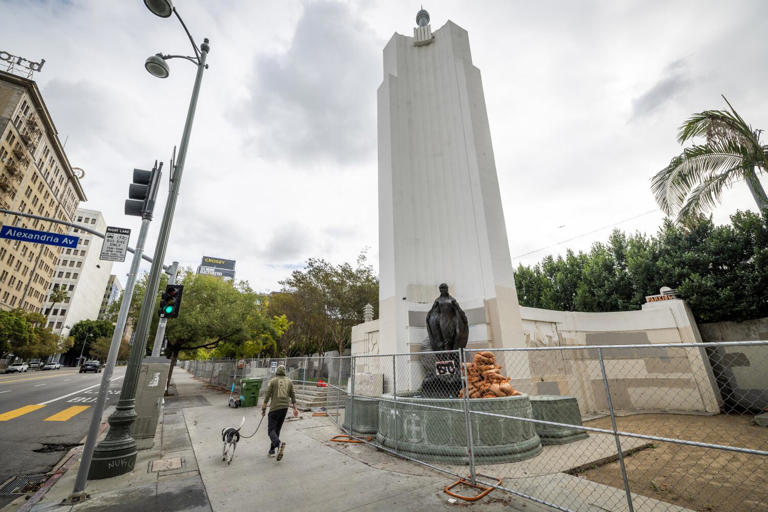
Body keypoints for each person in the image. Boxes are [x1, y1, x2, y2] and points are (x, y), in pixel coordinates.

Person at [261, 365, 299, 460]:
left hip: (274, 409)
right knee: (277, 430)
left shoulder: (273, 381)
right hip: (284, 409)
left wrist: (263, 409)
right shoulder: (289, 382)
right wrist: (295, 409)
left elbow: (267, 396)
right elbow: (293, 395)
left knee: (271, 431)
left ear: (277, 372)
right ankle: (272, 450)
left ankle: (278, 444)